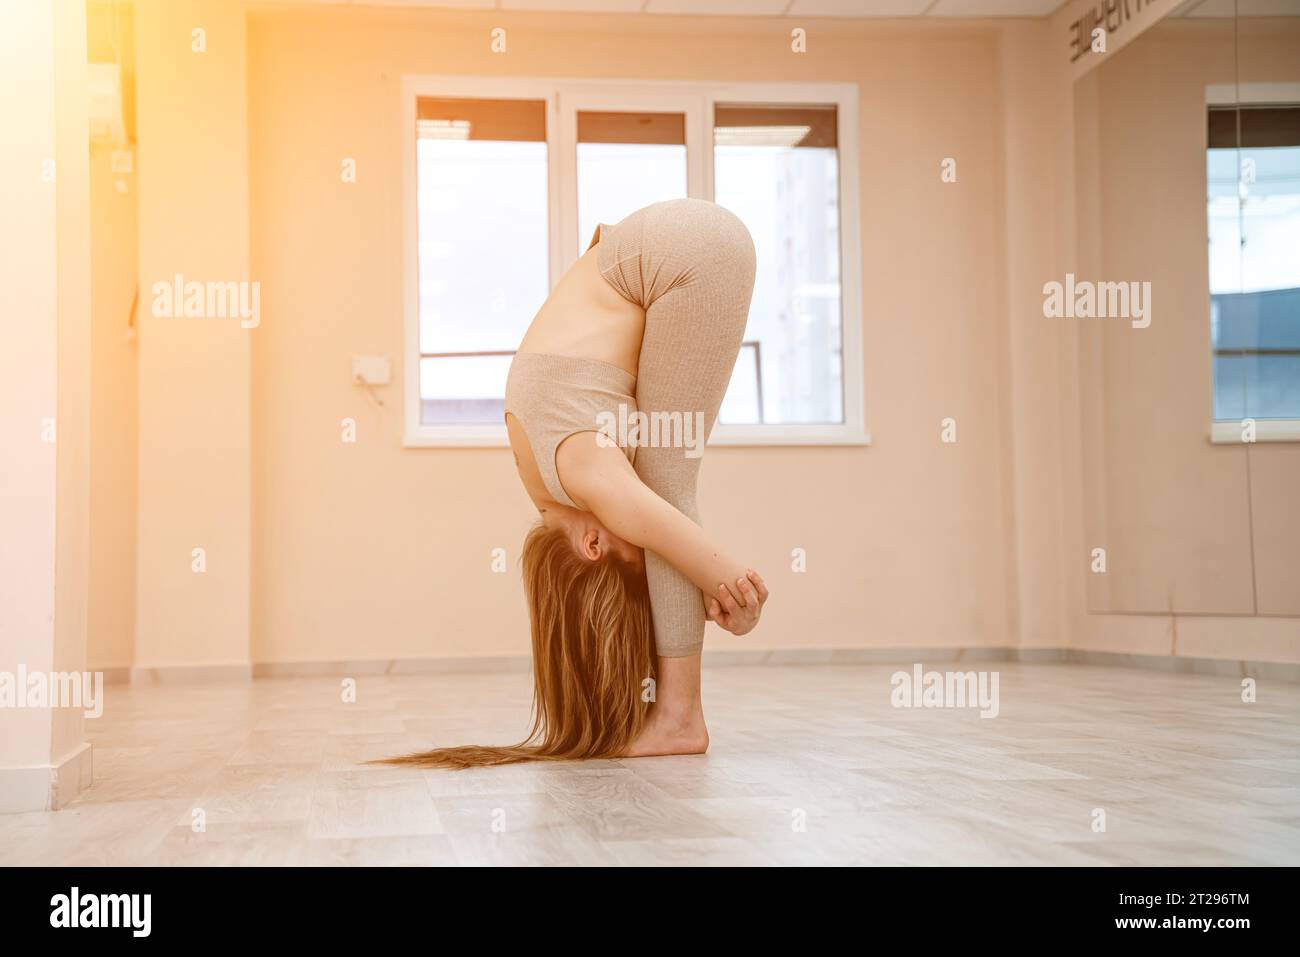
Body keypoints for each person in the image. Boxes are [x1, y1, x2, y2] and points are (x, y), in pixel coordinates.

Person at [386, 198, 768, 769]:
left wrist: (734, 593)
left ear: (592, 545)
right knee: (659, 478)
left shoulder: (584, 477)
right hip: (660, 246)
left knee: (666, 486)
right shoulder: (543, 466)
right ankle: (679, 714)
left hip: (687, 255)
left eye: (636, 561)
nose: (648, 553)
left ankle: (681, 717)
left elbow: (666, 521)